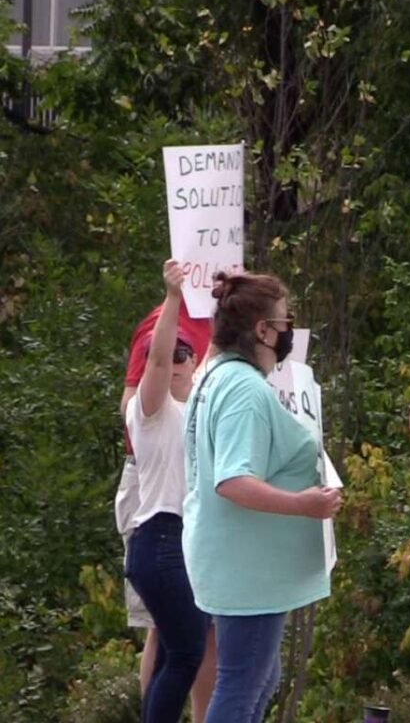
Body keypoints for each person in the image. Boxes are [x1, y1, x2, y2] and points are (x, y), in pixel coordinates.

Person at [182, 271, 341, 723]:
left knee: (260, 679)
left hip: (240, 562)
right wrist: (304, 504)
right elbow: (232, 480)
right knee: (243, 682)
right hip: (246, 568)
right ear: (261, 330)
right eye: (284, 320)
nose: (289, 329)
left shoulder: (214, 374)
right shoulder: (244, 389)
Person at [124, 259, 211, 723]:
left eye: (185, 354)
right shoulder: (151, 412)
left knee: (169, 655)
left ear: (197, 363)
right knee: (186, 652)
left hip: (179, 544)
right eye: (170, 356)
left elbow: (222, 351)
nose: (175, 362)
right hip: (159, 539)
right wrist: (175, 298)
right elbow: (155, 360)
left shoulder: (198, 413)